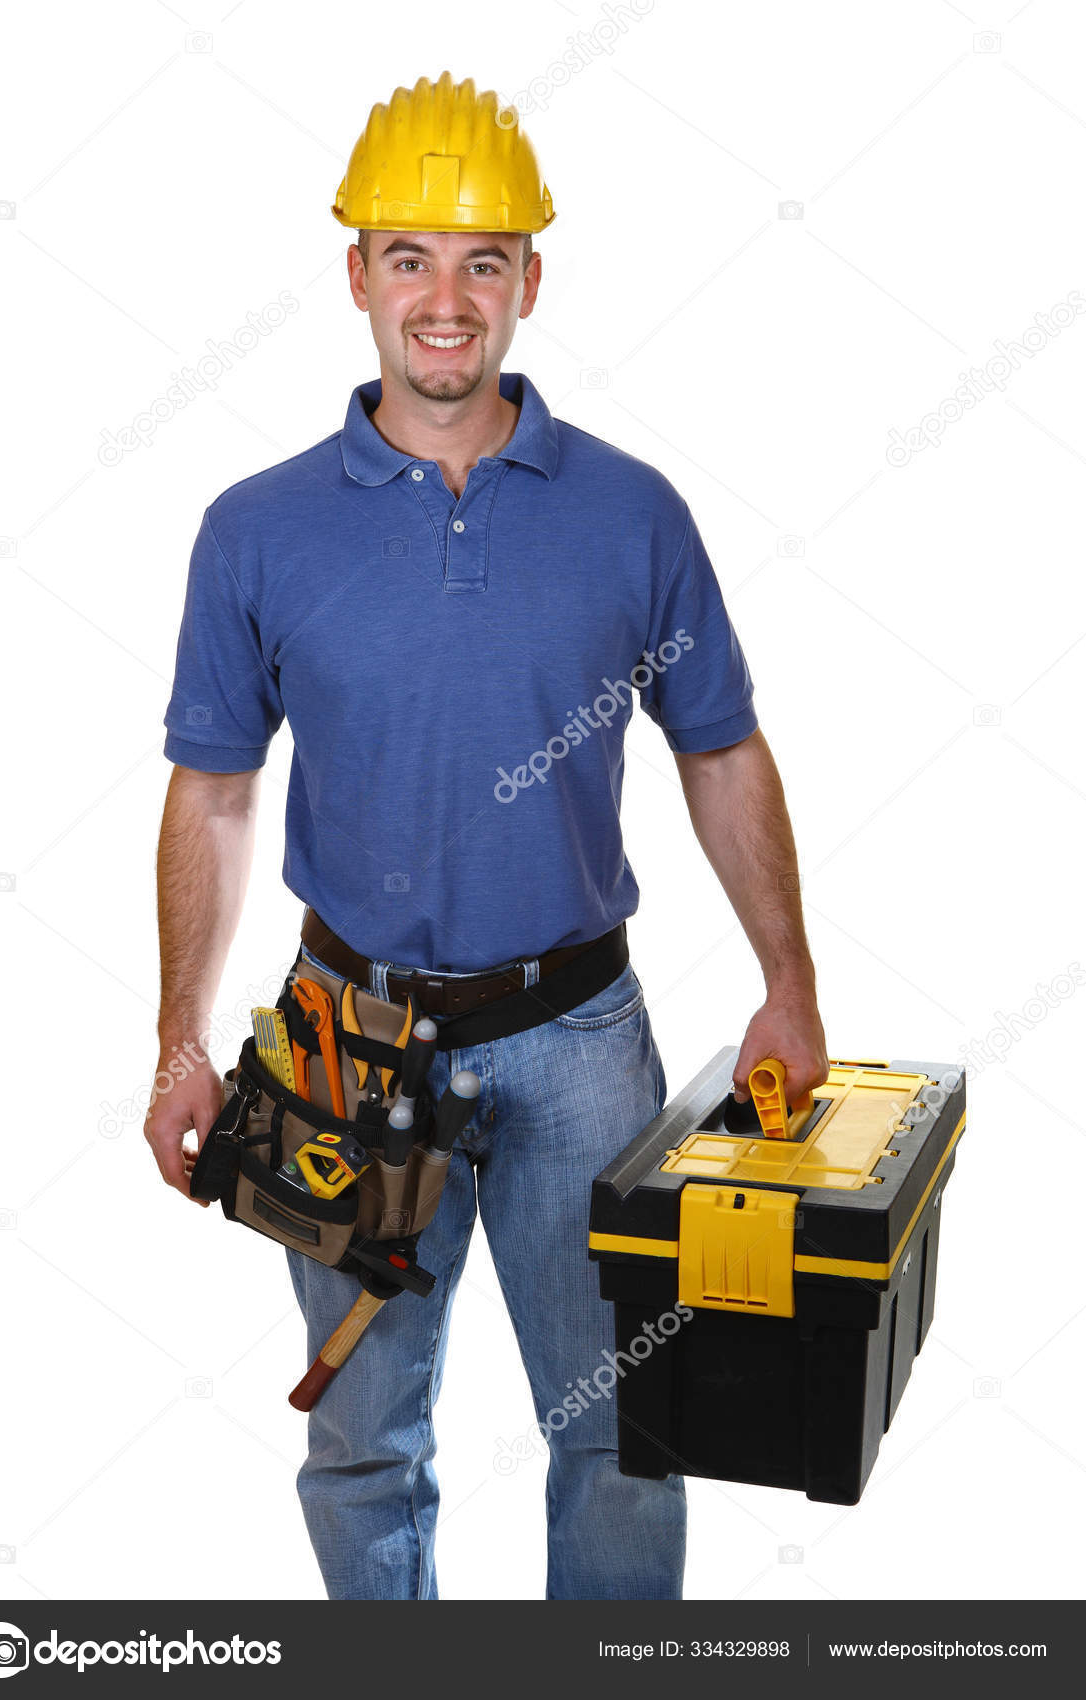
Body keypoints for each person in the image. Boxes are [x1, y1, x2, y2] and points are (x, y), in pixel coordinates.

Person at [145, 71, 827, 1601]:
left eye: (482, 262)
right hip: (345, 1047)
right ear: (356, 276)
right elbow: (214, 791)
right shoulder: (256, 529)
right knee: (364, 1444)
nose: (444, 302)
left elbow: (718, 747)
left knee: (623, 1431)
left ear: (530, 280)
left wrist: (786, 982)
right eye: (410, 258)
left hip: (580, 1042)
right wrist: (181, 1040)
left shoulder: (631, 515)